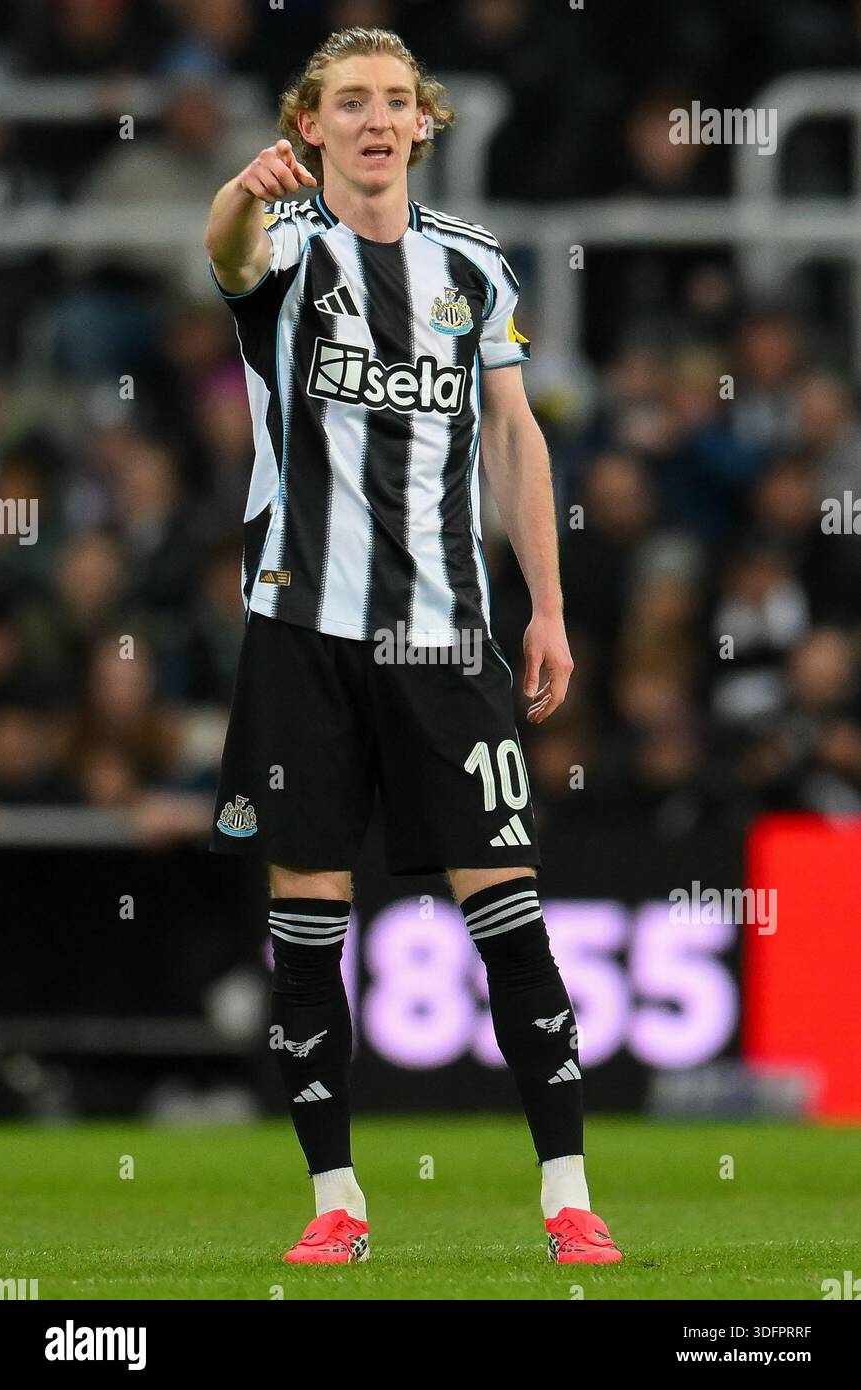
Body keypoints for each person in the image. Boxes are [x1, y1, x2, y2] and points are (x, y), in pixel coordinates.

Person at [204, 25, 621, 1267]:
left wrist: (543, 604)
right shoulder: (281, 249)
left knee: (510, 914)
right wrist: (236, 188)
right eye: (349, 102)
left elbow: (512, 439)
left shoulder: (474, 268)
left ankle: (566, 1197)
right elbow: (222, 253)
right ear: (311, 124)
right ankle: (336, 1198)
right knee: (305, 920)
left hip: (445, 640)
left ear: (423, 124)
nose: (376, 119)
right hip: (300, 634)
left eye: (396, 100)